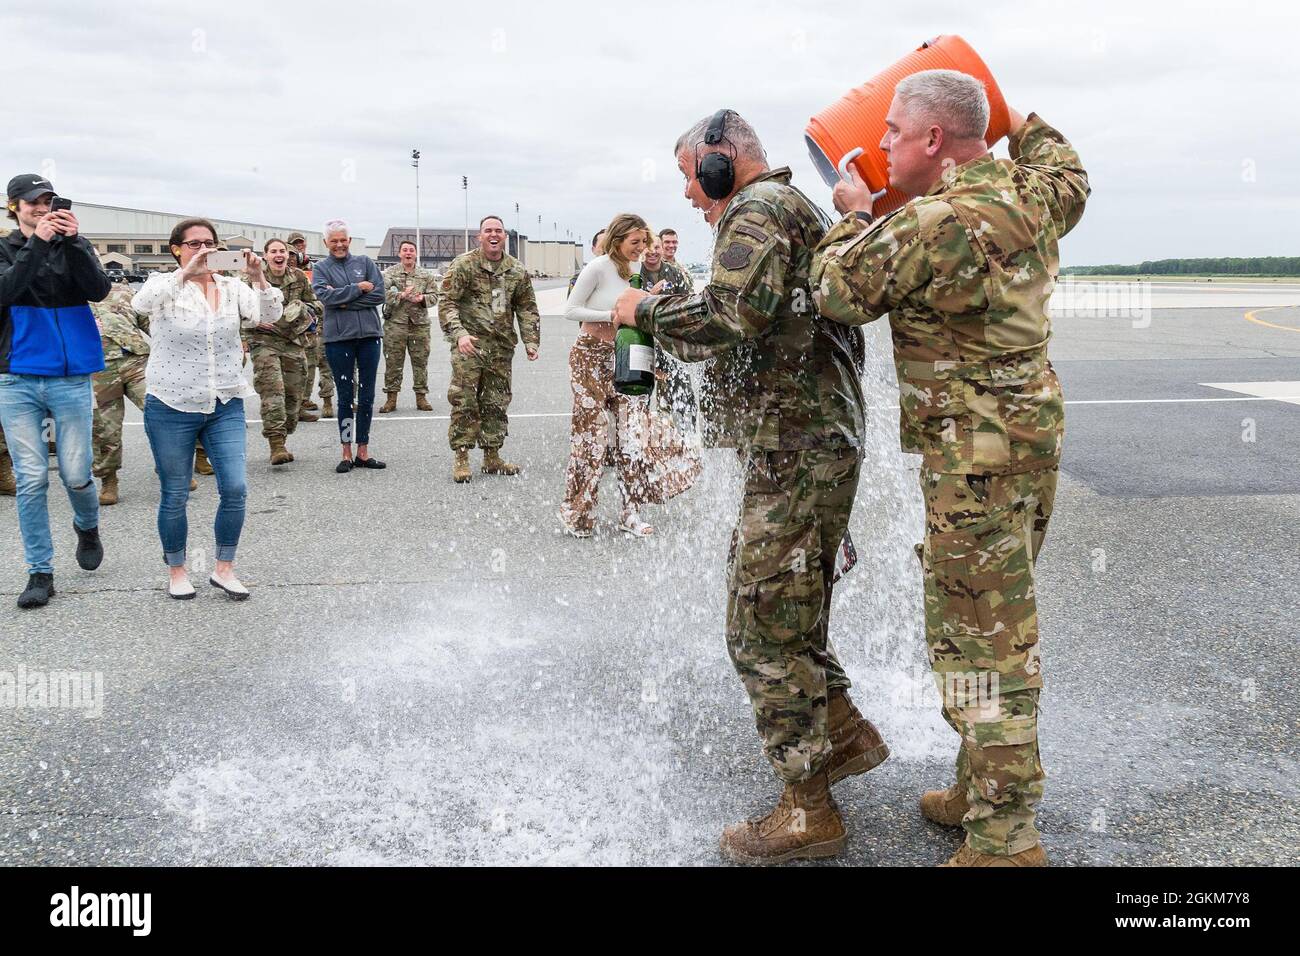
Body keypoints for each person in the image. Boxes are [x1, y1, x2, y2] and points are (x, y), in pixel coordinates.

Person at [812, 72, 1089, 867]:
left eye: (894, 131)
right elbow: (1069, 168)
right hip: (1031, 448)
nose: (881, 144)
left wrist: (855, 214)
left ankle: (1004, 838)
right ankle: (978, 789)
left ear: (934, 141)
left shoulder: (931, 223)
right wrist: (1008, 110)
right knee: (996, 625)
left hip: (972, 464)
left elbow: (835, 290)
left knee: (980, 650)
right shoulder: (1034, 196)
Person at [612, 110, 888, 863]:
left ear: (720, 159)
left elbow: (732, 313)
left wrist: (645, 310)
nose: (691, 200)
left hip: (797, 447)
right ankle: (843, 735)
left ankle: (808, 811)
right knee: (789, 610)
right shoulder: (783, 210)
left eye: (690, 179)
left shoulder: (758, 209)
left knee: (759, 627)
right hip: (806, 443)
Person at [132, 217, 282, 600]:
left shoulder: (232, 288)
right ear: (176, 248)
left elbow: (268, 315)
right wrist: (186, 273)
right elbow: (141, 303)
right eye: (194, 243)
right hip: (171, 403)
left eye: (209, 244)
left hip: (224, 401)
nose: (203, 250)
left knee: (235, 486)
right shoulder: (163, 285)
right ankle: (178, 570)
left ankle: (224, 568)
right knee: (175, 492)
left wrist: (259, 278)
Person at [0, 173, 111, 609]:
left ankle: (87, 526)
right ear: (14, 207)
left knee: (76, 474)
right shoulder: (6, 249)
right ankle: (39, 572)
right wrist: (37, 245)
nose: (42, 209)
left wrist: (77, 241)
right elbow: (6, 291)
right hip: (17, 377)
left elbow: (99, 290)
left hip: (69, 376)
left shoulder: (72, 247)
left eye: (48, 201)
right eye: (32, 202)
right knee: (30, 479)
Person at [561, 214, 699, 538]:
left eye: (643, 242)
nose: (641, 249)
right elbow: (570, 310)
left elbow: (637, 319)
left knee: (634, 436)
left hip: (625, 356)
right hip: (590, 357)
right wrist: (608, 315)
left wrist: (653, 362)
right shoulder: (597, 268)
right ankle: (578, 513)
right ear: (617, 240)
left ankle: (630, 512)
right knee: (591, 439)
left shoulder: (636, 271)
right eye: (634, 242)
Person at [438, 215, 540, 482]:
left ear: (504, 236)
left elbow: (527, 307)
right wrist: (459, 334)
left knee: (496, 402)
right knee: (464, 401)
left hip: (501, 349)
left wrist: (531, 340)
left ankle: (492, 456)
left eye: (498, 231)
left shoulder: (516, 270)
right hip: (469, 348)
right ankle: (461, 456)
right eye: (488, 231)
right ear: (479, 236)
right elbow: (447, 303)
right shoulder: (464, 265)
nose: (493, 235)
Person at [89, 283, 201, 505]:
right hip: (97, 369)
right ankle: (108, 479)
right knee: (104, 428)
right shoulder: (69, 295)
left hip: (137, 362)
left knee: (164, 415)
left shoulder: (122, 290)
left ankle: (171, 470)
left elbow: (149, 323)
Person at [311, 219, 386, 473]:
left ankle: (363, 450)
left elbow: (379, 295)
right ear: (326, 243)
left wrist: (343, 299)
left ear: (349, 240)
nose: (339, 245)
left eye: (343, 240)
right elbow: (325, 297)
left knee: (366, 396)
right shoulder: (320, 268)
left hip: (369, 337)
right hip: (338, 339)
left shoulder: (365, 263)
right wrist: (357, 289)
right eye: (334, 241)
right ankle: (346, 451)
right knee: (345, 396)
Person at [244, 238, 320, 466]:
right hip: (264, 340)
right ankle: (277, 444)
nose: (279, 255)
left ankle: (284, 430)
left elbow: (316, 304)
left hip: (293, 341)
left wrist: (300, 310)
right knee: (272, 390)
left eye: (283, 251)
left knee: (294, 393)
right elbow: (237, 309)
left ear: (288, 255)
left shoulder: (298, 277)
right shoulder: (251, 277)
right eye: (274, 251)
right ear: (265, 255)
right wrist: (253, 323)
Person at [639, 235, 697, 430]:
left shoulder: (674, 273)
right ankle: (637, 443)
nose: (652, 251)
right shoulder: (633, 274)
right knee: (639, 396)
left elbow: (688, 304)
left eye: (656, 247)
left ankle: (684, 437)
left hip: (672, 344)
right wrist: (651, 297)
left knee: (681, 394)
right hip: (643, 344)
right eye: (648, 247)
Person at [380, 239, 438, 413]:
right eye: (404, 250)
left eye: (411, 250)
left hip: (419, 326)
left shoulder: (425, 275)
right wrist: (401, 295)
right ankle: (391, 398)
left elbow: (435, 296)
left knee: (420, 362)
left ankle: (421, 397)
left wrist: (422, 299)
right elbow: (381, 293)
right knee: (393, 363)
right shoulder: (389, 273)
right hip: (395, 325)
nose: (408, 253)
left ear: (416, 254)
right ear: (399, 254)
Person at [290, 231, 334, 420]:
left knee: (323, 364)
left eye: (301, 244)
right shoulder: (280, 270)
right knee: (303, 367)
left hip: (319, 325)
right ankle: (300, 401)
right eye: (294, 246)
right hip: (295, 329)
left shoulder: (314, 268)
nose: (299, 248)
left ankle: (326, 400)